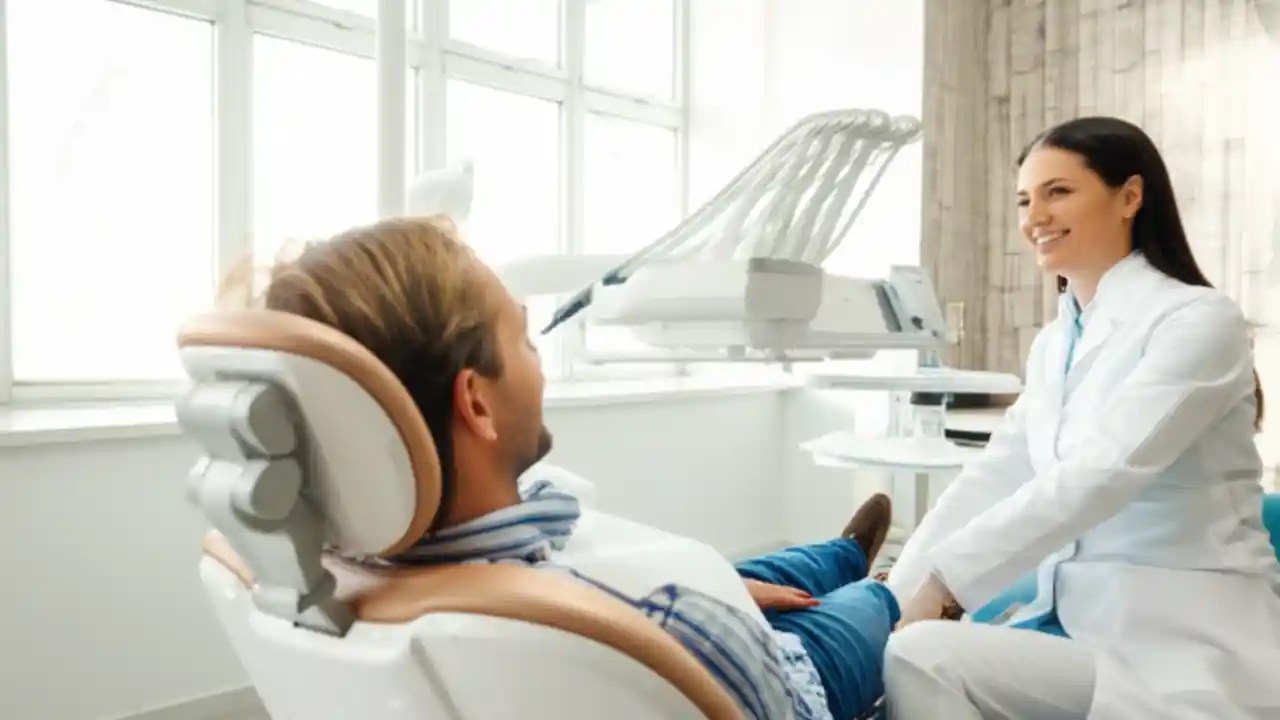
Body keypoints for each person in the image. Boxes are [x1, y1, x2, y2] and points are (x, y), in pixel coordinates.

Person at [253, 216, 902, 720]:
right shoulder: (664, 613)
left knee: (781, 572)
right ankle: (892, 585)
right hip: (791, 673)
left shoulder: (337, 570)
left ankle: (842, 550)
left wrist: (726, 593)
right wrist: (725, 611)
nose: (538, 364)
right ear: (476, 402)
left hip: (679, 605)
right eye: (526, 340)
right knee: (878, 602)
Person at [883, 116, 1280, 719]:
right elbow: (993, 476)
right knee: (905, 646)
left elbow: (1100, 475)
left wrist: (944, 588)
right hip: (1080, 630)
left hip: (1184, 642)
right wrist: (891, 597)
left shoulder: (1200, 321)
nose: (1034, 217)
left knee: (924, 656)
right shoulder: (1053, 343)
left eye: (1057, 192)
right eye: (1024, 200)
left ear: (1130, 197)